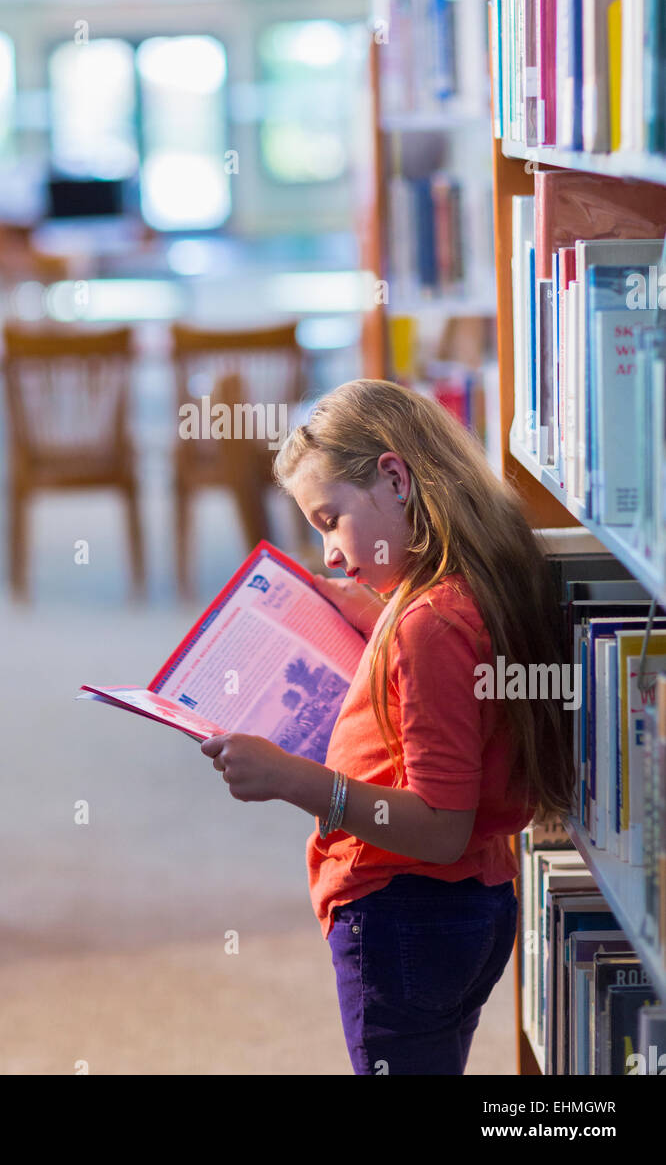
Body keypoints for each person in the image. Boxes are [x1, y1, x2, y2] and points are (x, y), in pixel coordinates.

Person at [201, 378, 575, 1076]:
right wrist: (381, 619)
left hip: (405, 915)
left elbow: (439, 824)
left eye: (330, 519)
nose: (332, 554)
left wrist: (291, 778)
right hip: (470, 904)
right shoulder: (468, 584)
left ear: (396, 478)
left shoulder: (428, 626)